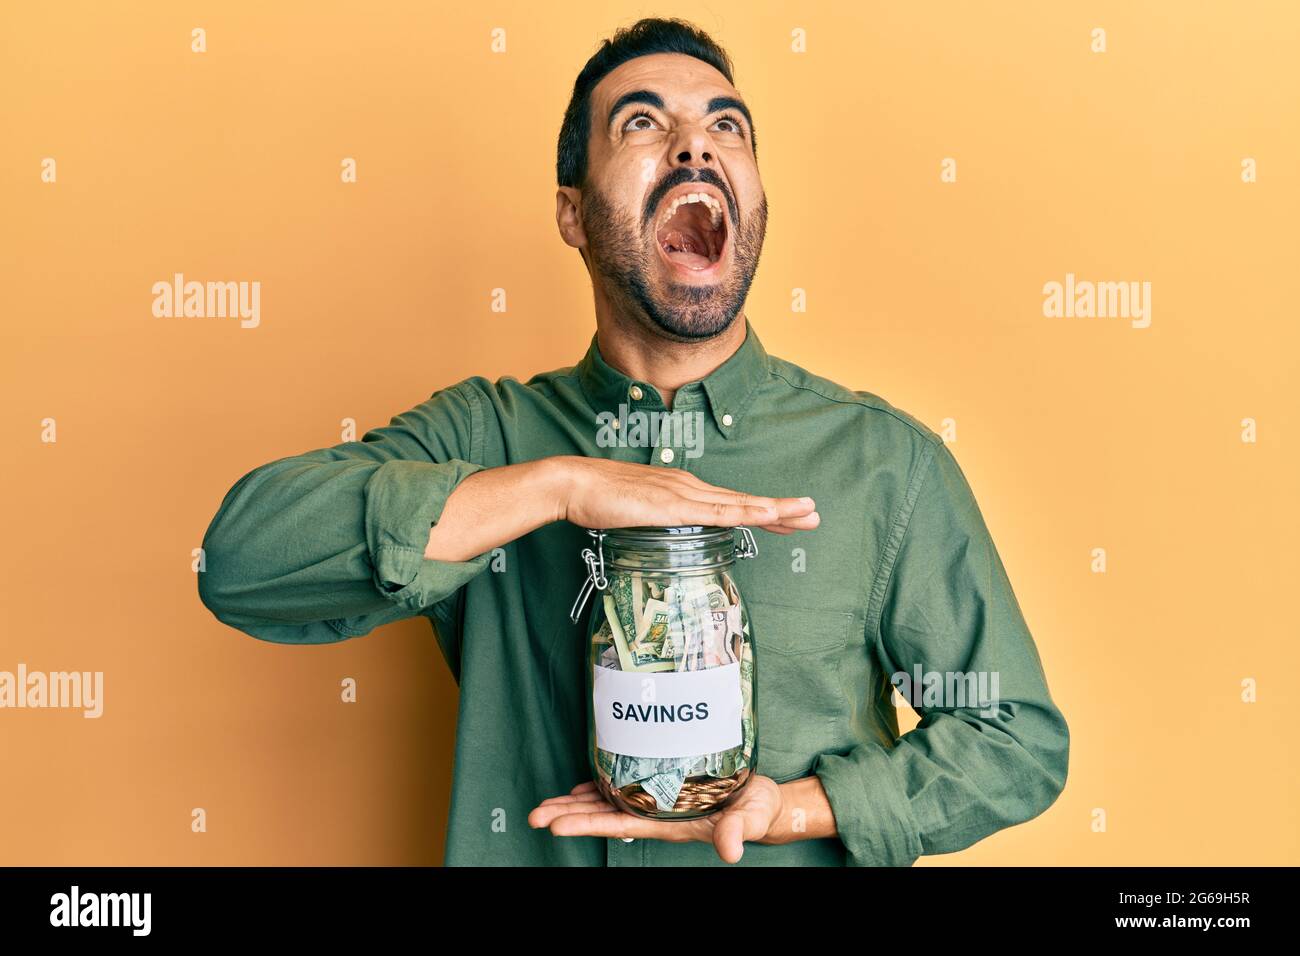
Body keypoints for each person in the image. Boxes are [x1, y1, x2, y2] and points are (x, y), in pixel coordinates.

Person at [197, 17, 1069, 866]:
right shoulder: (485, 435)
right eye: (644, 123)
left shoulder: (884, 464)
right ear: (571, 214)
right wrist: (557, 489)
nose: (697, 147)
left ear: (757, 198)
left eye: (726, 126)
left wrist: (801, 809)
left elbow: (1016, 739)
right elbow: (240, 560)